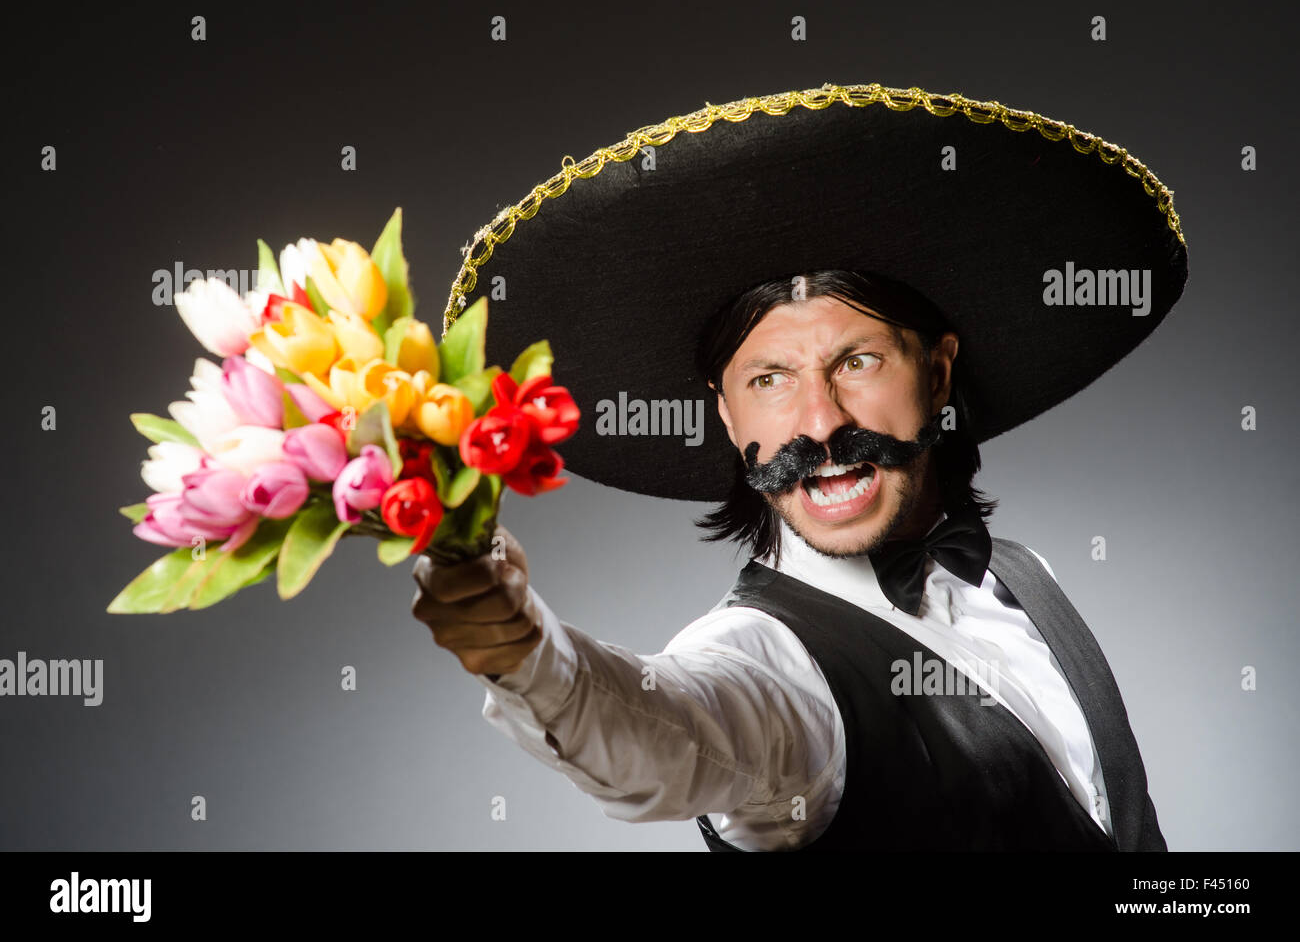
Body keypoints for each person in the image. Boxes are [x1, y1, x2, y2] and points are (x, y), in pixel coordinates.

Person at [410, 83, 1187, 850]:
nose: (821, 422)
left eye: (857, 361)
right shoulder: (768, 661)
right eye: (769, 380)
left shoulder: (1028, 578)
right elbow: (667, 728)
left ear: (938, 377)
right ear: (726, 415)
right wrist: (526, 652)